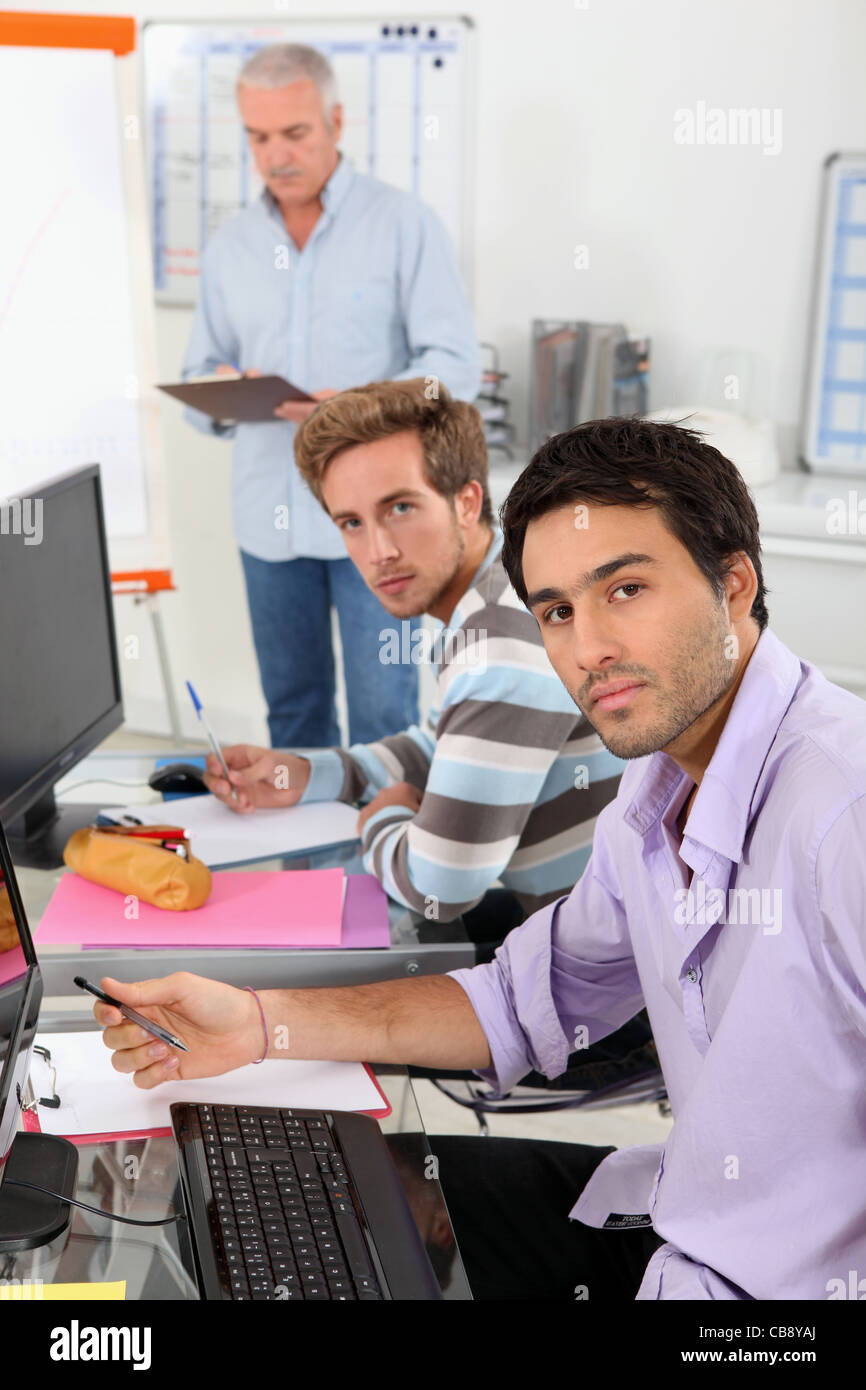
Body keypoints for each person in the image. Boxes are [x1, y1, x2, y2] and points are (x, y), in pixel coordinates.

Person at [94, 417, 866, 1300]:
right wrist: (258, 1023)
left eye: (626, 590)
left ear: (734, 583)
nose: (588, 650)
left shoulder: (844, 816)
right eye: (559, 612)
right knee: (298, 1210)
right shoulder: (649, 796)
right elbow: (514, 1001)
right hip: (681, 1227)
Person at [201, 378, 626, 926]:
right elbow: (445, 741)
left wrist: (386, 816)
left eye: (400, 508)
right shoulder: (503, 584)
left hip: (613, 982)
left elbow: (439, 888)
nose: (379, 552)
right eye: (351, 523)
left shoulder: (500, 642)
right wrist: (313, 773)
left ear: (467, 501)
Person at [181, 43, 481, 748]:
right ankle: (308, 861)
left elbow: (453, 368)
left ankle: (386, 859)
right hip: (269, 517)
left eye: (295, 133)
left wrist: (356, 405)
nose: (276, 154)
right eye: (258, 137)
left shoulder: (404, 225)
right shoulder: (229, 248)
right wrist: (229, 394)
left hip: (381, 525)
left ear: (336, 121)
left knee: (385, 718)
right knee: (292, 714)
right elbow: (201, 375)